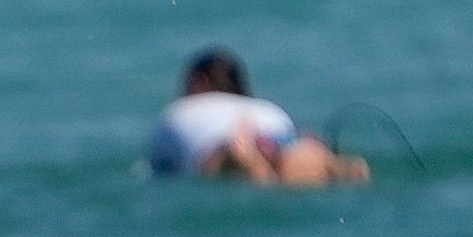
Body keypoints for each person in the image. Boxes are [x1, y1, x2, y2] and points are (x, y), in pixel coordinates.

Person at [148, 51, 369, 186]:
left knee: (221, 163)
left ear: (199, 82)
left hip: (226, 145)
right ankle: (329, 164)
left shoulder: (183, 109)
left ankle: (244, 160)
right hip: (277, 135)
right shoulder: (264, 108)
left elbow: (161, 168)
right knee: (293, 155)